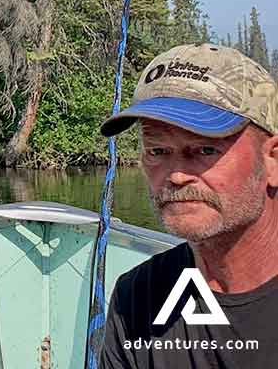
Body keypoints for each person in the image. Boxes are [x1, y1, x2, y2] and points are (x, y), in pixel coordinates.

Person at [98, 43, 278, 368]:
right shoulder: (138, 296)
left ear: (272, 161)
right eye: (157, 151)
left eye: (205, 150)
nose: (177, 175)